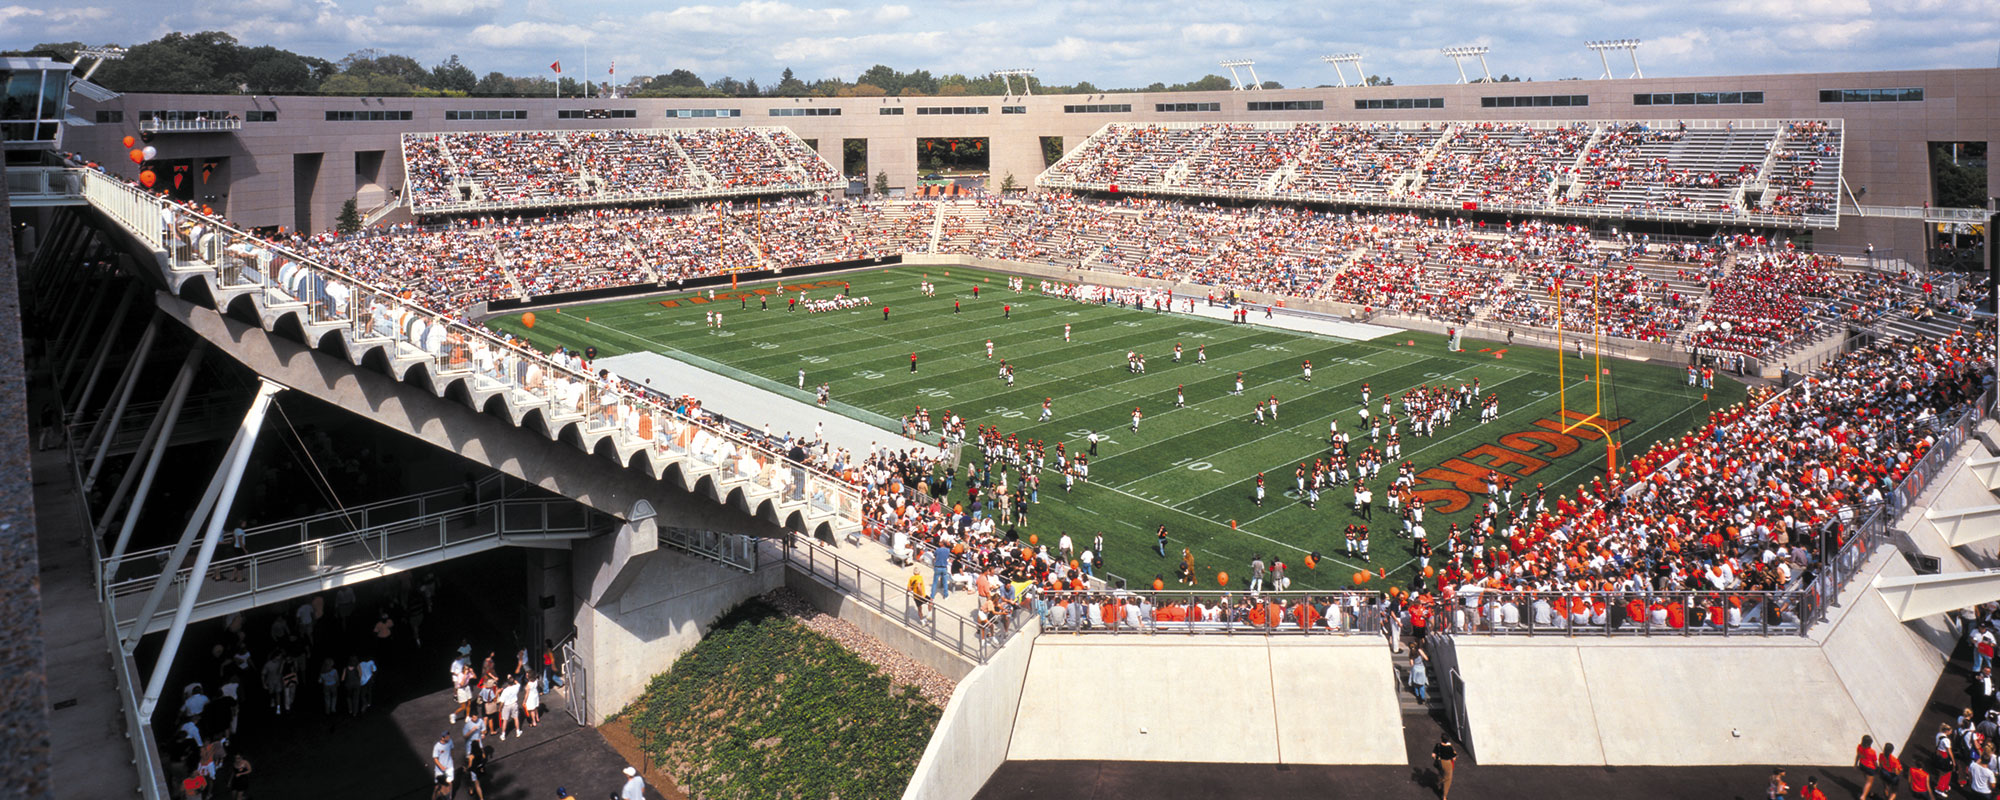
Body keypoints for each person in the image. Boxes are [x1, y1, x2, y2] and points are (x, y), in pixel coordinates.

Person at [431, 731, 456, 800]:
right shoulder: (437, 747)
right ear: (442, 738)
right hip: (439, 770)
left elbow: (452, 750)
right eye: (447, 736)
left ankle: (449, 798)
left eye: (449, 736)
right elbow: (435, 759)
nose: (448, 738)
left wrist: (452, 760)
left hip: (449, 768)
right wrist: (441, 767)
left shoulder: (450, 741)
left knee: (450, 783)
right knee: (437, 786)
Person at [1432, 735, 1458, 800]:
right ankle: (1444, 796)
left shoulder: (1437, 745)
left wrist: (1436, 758)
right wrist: (1453, 749)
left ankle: (1439, 784)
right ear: (1447, 740)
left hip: (1439, 763)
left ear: (1441, 739)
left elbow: (1433, 754)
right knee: (1448, 779)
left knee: (1441, 774)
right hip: (1447, 763)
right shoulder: (1449, 748)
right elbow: (1454, 758)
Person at [1858, 734, 1880, 799]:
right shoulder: (1872, 752)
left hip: (1862, 765)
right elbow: (1875, 762)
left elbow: (1858, 755)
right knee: (1869, 782)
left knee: (1867, 780)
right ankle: (1863, 796)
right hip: (1870, 768)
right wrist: (1877, 768)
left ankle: (1869, 792)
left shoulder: (1859, 747)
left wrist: (1856, 763)